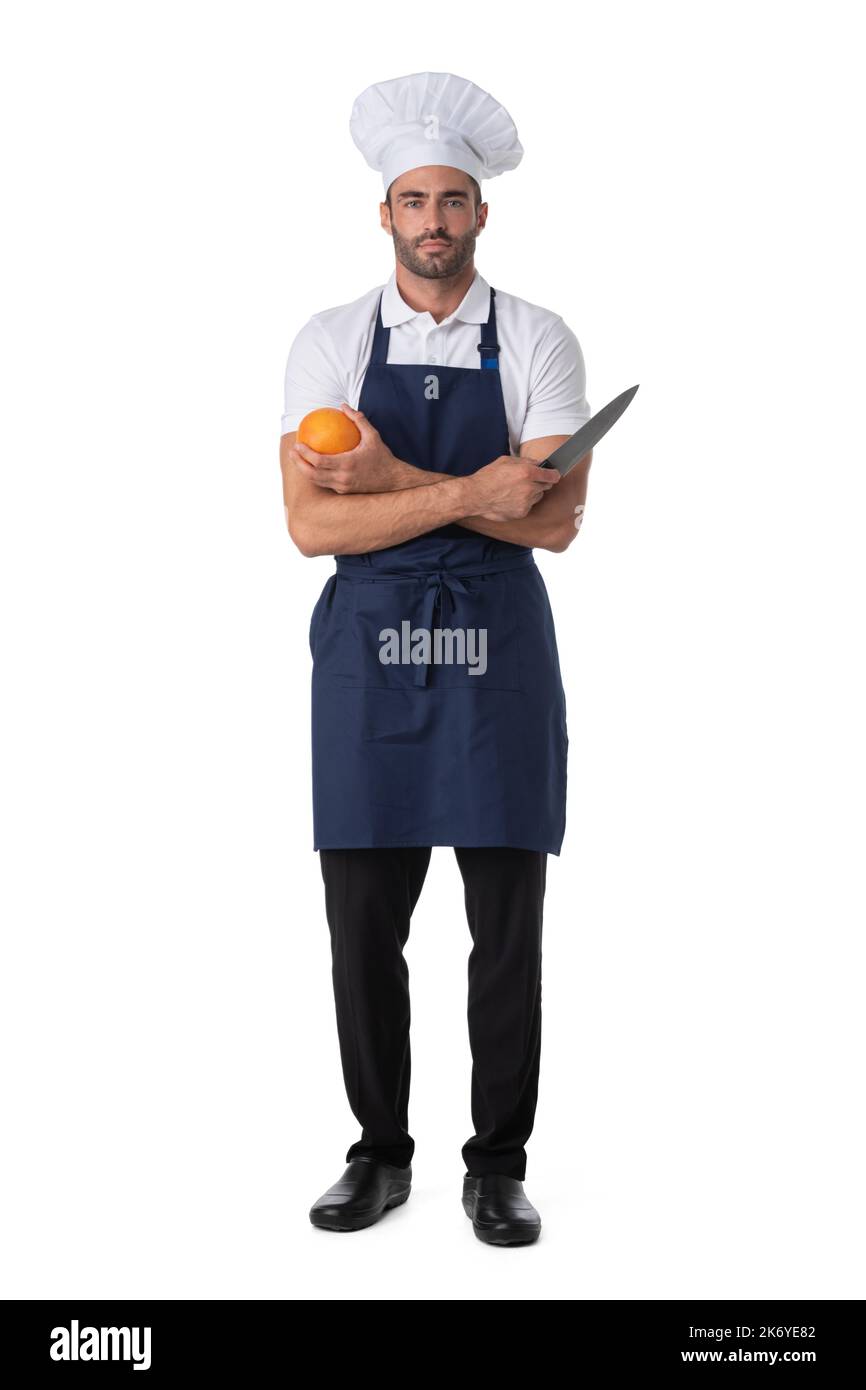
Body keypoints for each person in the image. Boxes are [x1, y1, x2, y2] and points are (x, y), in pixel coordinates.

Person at [279, 71, 592, 1245]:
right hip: (369, 662)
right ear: (384, 214)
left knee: (505, 928)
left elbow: (553, 523)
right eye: (413, 198)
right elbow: (314, 527)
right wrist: (472, 490)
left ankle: (496, 1162)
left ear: (479, 214)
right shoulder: (326, 341)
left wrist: (391, 484)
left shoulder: (538, 340)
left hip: (493, 656)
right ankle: (379, 1151)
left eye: (451, 200)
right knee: (362, 925)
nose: (432, 220)